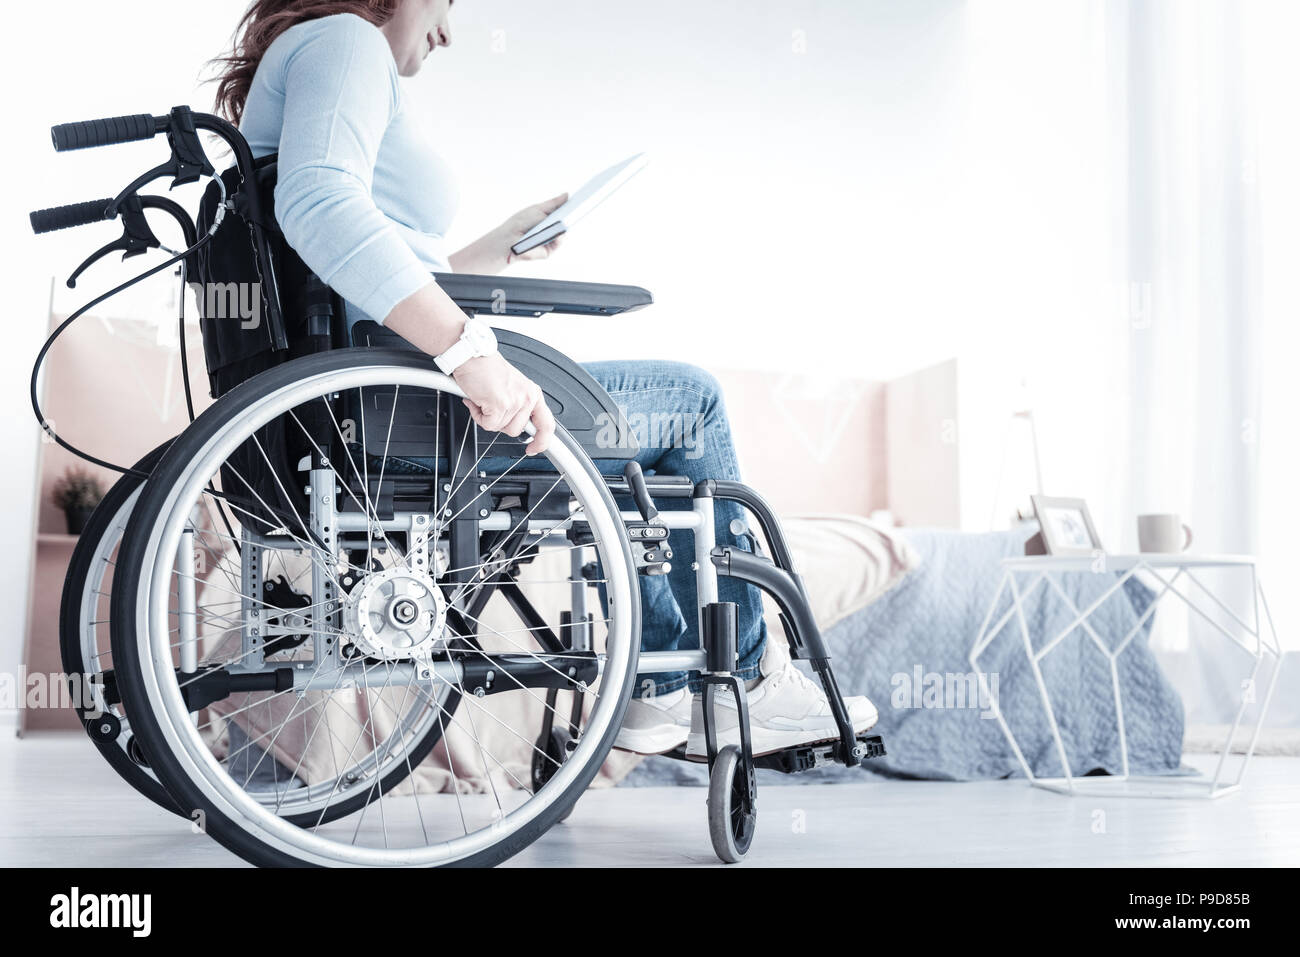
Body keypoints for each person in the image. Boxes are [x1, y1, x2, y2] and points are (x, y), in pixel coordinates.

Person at [214, 0, 877, 759]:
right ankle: (750, 680)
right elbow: (319, 202)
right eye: (447, 3)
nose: (449, 31)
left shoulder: (315, 58)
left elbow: (358, 286)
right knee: (692, 402)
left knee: (635, 445)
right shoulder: (347, 41)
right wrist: (470, 353)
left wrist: (501, 246)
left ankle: (656, 691)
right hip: (403, 405)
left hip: (372, 396)